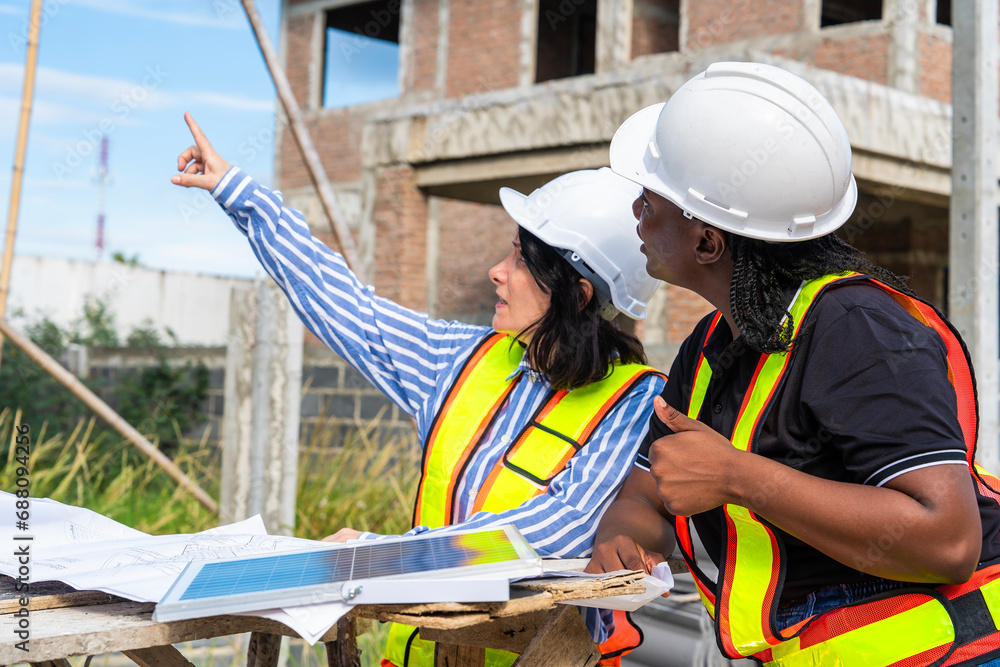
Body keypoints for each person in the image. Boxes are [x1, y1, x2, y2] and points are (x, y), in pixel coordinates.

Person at [171, 113, 666, 667]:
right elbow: (349, 309)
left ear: (576, 295)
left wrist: (376, 559)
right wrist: (240, 194)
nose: (495, 272)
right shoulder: (463, 360)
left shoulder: (638, 405)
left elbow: (545, 535)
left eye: (522, 261)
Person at [586, 62, 1000, 666]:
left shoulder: (856, 328)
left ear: (707, 242)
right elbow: (650, 491)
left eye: (649, 198)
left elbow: (948, 538)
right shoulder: (709, 347)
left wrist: (738, 477)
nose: (636, 213)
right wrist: (621, 538)